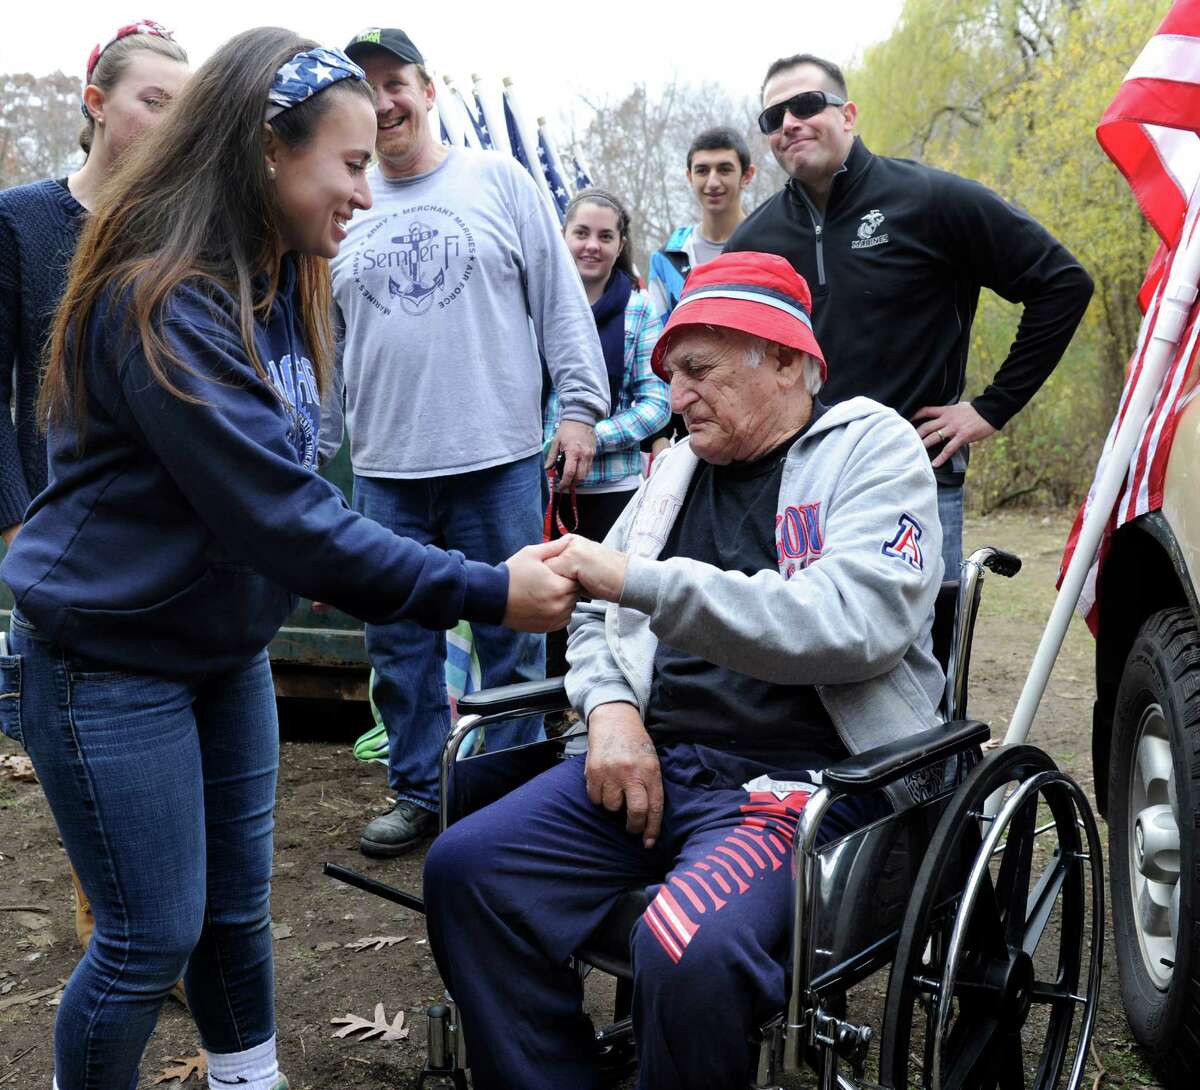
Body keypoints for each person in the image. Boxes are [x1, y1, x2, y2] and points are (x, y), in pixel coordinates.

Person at [0, 27, 576, 1090]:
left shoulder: (279, 284)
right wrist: (491, 588)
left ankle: (249, 1078)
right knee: (147, 937)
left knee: (234, 910)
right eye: (349, 164)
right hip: (107, 662)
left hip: (224, 651)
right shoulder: (163, 297)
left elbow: (298, 499)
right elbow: (291, 520)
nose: (367, 189)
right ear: (269, 149)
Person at [424, 251, 944, 1090]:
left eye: (697, 369)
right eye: (668, 373)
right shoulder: (673, 474)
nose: (675, 393)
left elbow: (858, 621)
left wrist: (641, 581)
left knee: (682, 945)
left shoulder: (869, 450)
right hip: (655, 765)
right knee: (465, 871)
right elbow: (596, 610)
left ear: (783, 359)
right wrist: (611, 712)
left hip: (799, 788)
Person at [325, 27, 609, 858]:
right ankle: (419, 790)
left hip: (497, 460)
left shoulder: (500, 181)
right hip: (385, 471)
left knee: (512, 640)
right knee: (400, 648)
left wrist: (581, 410)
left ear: (429, 87)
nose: (383, 102)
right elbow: (325, 341)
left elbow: (561, 299)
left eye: (396, 82)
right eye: (365, 87)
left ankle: (514, 795)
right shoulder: (344, 199)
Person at [724, 53, 1094, 577]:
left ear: (847, 115)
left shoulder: (932, 200)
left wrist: (993, 407)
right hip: (798, 484)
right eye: (773, 117)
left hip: (917, 474)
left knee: (918, 650)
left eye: (806, 104)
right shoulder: (752, 243)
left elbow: (1062, 283)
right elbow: (724, 358)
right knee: (801, 646)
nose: (789, 123)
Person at [0, 18, 190, 961]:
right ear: (96, 103)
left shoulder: (180, 232)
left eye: (182, 108)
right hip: (54, 530)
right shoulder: (23, 222)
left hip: (160, 538)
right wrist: (9, 520)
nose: (170, 123)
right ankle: (113, 929)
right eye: (154, 101)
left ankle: (160, 928)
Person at [543, 188, 668, 676]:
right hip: (543, 488)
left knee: (606, 610)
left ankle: (606, 707)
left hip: (614, 492)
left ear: (620, 245)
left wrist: (593, 434)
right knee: (547, 605)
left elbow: (657, 403)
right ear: (562, 237)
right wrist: (547, 442)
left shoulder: (638, 312)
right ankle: (548, 709)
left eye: (604, 236)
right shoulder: (537, 308)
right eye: (581, 233)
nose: (591, 246)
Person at [646, 126, 757, 455]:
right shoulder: (666, 258)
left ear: (746, 175)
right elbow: (658, 346)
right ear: (688, 176)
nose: (712, 182)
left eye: (724, 169)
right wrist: (660, 435)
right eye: (702, 170)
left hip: (757, 418)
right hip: (691, 425)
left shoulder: (767, 245)